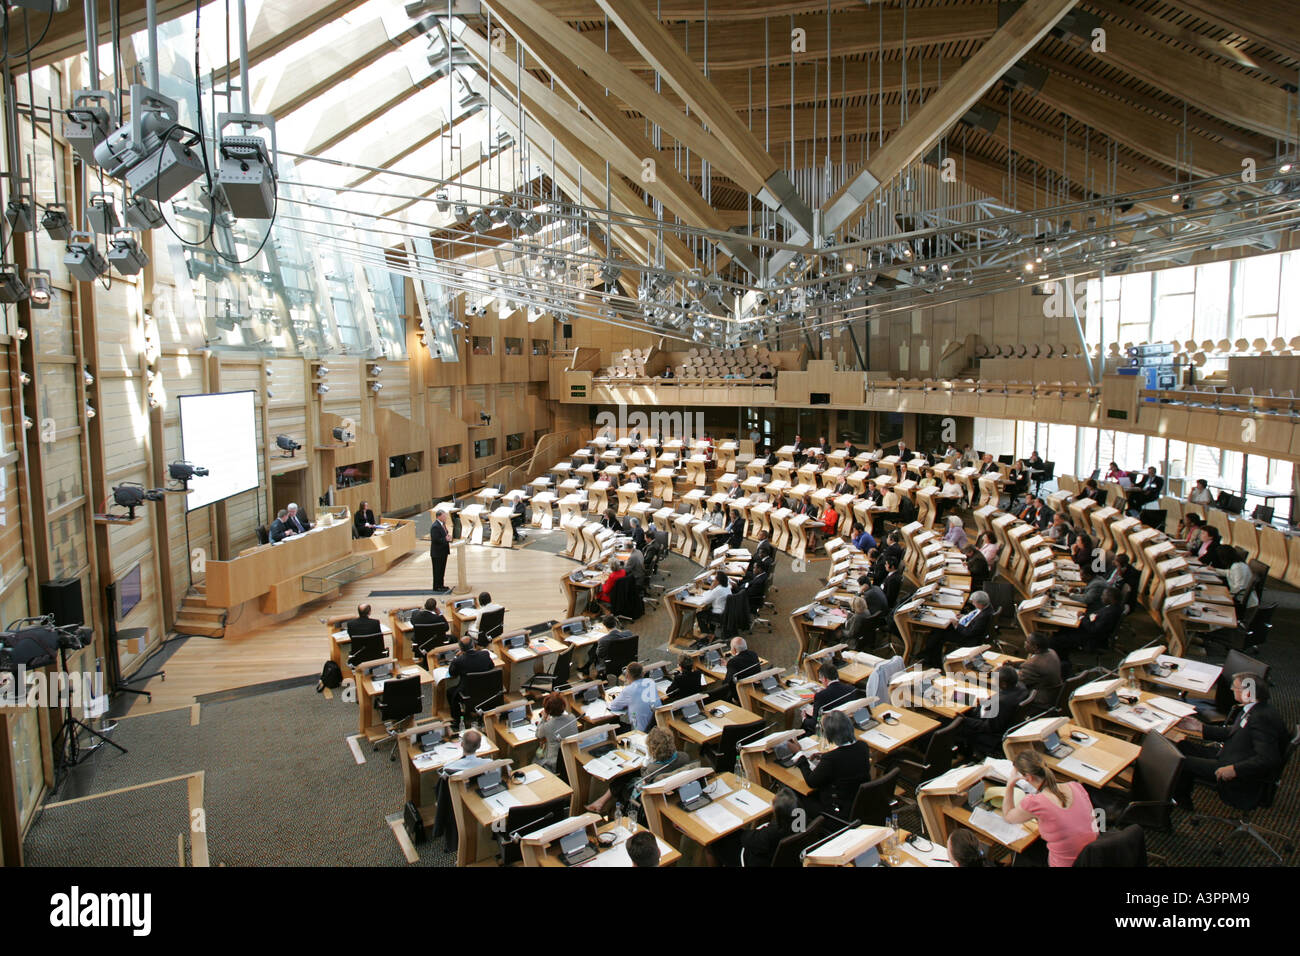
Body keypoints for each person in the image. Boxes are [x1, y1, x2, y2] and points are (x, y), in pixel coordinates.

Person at [1173, 671, 1288, 810]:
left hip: (1235, 768)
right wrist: (1200, 728)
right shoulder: (1253, 708)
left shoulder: (1262, 718)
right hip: (1230, 753)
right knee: (1181, 746)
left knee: (1180, 762)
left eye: (1236, 687)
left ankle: (1178, 804)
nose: (1232, 689)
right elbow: (1233, 732)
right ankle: (1178, 794)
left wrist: (1235, 769)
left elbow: (1268, 758)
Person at [1001, 750, 1096, 867]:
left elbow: (1008, 816)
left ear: (1028, 777)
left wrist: (1010, 784)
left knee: (1025, 851)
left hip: (1066, 864)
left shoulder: (1034, 802)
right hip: (1092, 857)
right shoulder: (1076, 786)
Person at [791, 710, 871, 818]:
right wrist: (825, 757)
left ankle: (800, 830)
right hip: (858, 803)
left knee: (794, 793)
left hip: (836, 810)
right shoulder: (863, 746)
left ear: (830, 736)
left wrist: (799, 754)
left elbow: (811, 781)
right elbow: (846, 757)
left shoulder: (832, 759)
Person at [958, 665, 1030, 758]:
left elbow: (989, 728)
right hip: (1007, 721)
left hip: (995, 736)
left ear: (1004, 684)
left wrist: (965, 720)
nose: (993, 682)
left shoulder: (1001, 702)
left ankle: (966, 755)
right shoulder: (1022, 687)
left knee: (960, 725)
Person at [1053, 587, 1123, 661]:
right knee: (1060, 628)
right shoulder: (1111, 607)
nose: (1101, 597)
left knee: (1055, 641)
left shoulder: (1110, 613)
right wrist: (1085, 616)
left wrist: (1082, 618)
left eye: (1104, 595)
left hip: (1091, 639)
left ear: (1112, 599)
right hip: (1091, 631)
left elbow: (1093, 629)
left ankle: (1063, 663)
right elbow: (1095, 617)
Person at [740, 786, 801, 866]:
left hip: (765, 860)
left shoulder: (774, 831)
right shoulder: (802, 819)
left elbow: (747, 839)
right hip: (790, 858)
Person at [929, 590, 992, 668]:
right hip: (966, 628)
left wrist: (956, 624)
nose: (973, 604)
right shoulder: (987, 607)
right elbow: (974, 617)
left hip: (967, 638)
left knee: (939, 634)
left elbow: (968, 632)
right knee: (937, 630)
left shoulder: (983, 617)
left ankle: (935, 662)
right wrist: (964, 616)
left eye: (974, 602)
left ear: (980, 604)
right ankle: (930, 655)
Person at [802, 660, 860, 734]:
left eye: (820, 680)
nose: (821, 682)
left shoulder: (820, 696)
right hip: (847, 723)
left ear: (825, 679)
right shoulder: (851, 689)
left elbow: (815, 723)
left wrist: (804, 719)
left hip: (830, 730)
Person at [447, 636, 493, 726]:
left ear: (460, 648)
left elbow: (452, 673)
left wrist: (456, 657)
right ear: (473, 645)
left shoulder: (459, 661)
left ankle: (456, 720)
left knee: (450, 692)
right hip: (486, 689)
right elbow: (491, 666)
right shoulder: (485, 654)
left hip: (468, 692)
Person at [609, 661, 658, 732]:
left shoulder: (628, 690)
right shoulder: (651, 683)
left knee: (615, 726)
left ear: (627, 676)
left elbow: (613, 706)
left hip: (639, 729)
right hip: (655, 723)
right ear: (643, 673)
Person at [535, 693, 579, 773]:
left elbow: (538, 734)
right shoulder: (572, 717)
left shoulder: (547, 726)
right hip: (572, 758)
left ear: (547, 710)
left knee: (535, 759)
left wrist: (543, 718)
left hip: (553, 764)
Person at [1018, 632, 1061, 710]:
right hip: (1055, 694)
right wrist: (1014, 664)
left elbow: (1017, 682)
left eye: (1027, 642)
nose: (1024, 643)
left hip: (1040, 699)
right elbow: (1032, 662)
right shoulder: (1051, 652)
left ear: (1035, 647)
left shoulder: (1032, 665)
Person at [429, 509, 452, 593]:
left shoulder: (442, 524)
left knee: (442, 570)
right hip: (437, 553)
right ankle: (436, 587)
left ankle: (441, 585)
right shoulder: (435, 526)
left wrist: (448, 537)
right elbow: (435, 539)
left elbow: (444, 534)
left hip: (443, 551)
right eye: (444, 516)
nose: (446, 517)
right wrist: (445, 539)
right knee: (437, 571)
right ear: (439, 516)